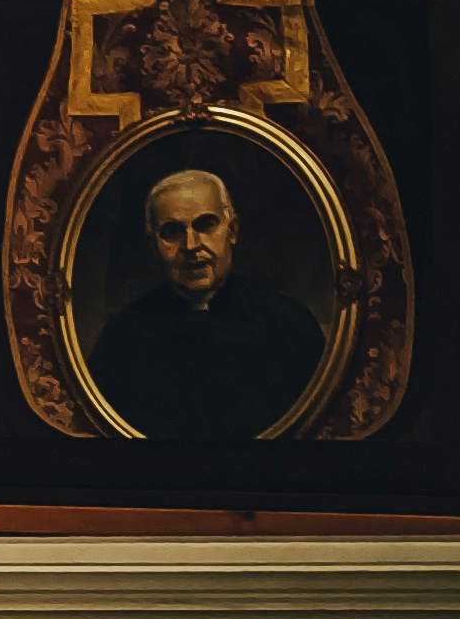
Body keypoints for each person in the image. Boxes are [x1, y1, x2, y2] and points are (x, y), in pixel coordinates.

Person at [87, 165, 326, 442]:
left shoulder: (290, 324)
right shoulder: (121, 340)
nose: (191, 245)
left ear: (232, 231)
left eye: (205, 225)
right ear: (153, 244)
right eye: (172, 231)